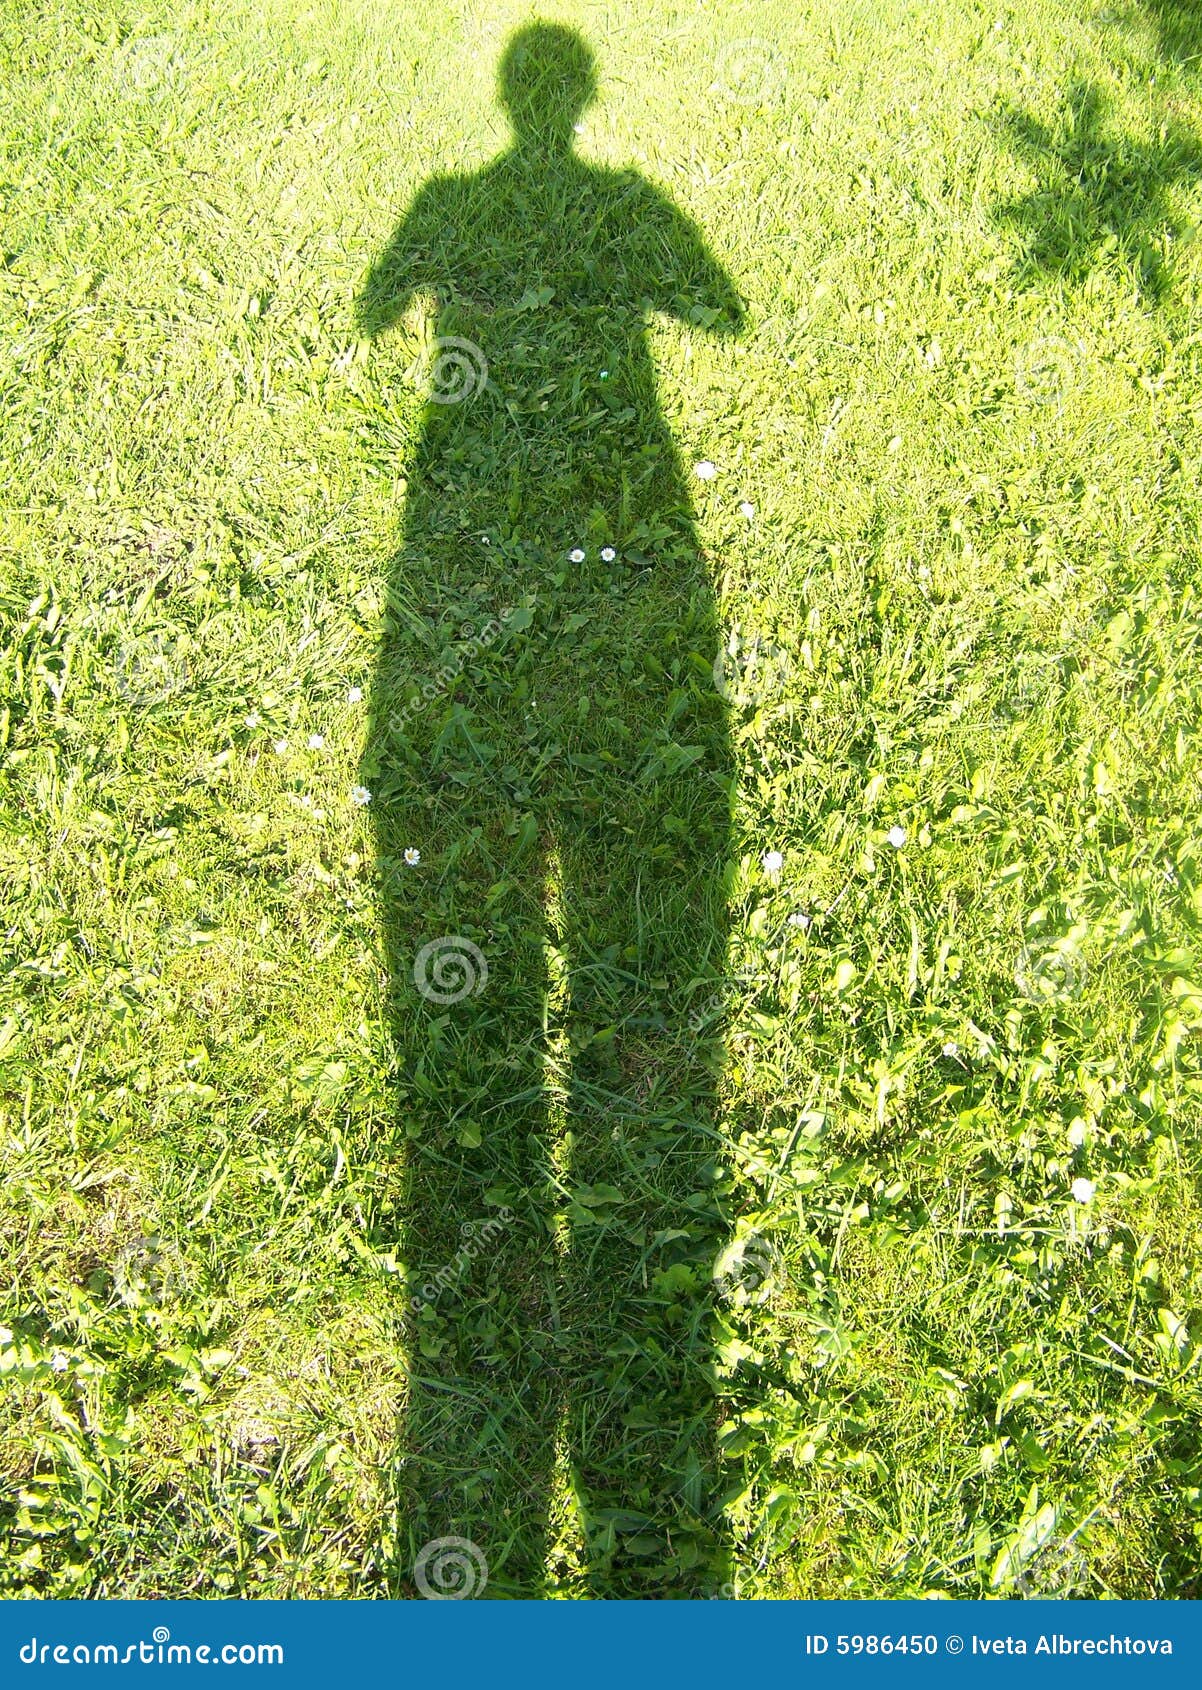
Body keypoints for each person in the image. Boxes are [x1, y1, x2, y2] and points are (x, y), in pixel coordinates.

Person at [356, 20, 744, 1597]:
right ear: (576, 102)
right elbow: (714, 303)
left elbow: (378, 300)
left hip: (462, 528)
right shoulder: (626, 204)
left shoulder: (449, 205)